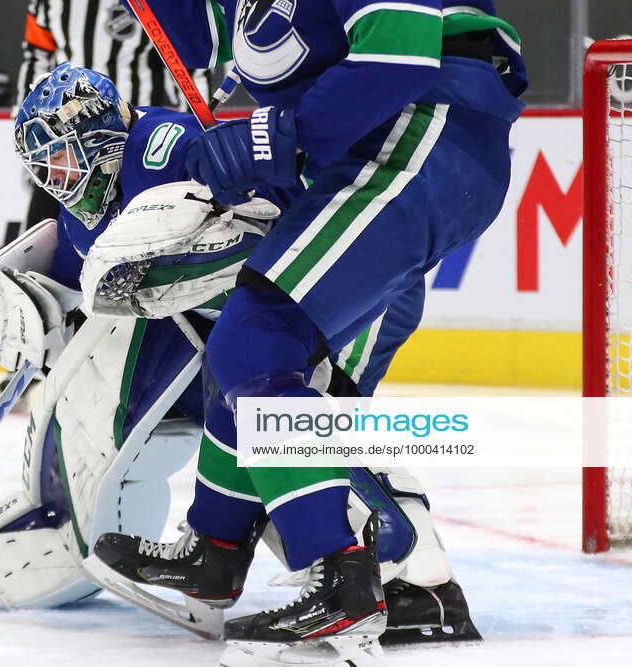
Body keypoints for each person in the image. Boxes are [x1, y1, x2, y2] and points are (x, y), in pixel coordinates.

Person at [0, 62, 480, 647]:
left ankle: (422, 588)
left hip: (353, 289)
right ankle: (231, 555)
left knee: (308, 423)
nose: (56, 176)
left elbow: (266, 233)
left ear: (102, 134)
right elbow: (71, 282)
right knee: (244, 398)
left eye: (63, 156)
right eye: (43, 165)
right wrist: (33, 310)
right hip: (281, 309)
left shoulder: (166, 150)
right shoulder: (82, 213)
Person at [89, 2, 527, 665]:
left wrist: (279, 139)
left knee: (260, 347)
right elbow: (196, 35)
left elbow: (400, 51)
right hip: (378, 146)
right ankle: (218, 545)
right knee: (249, 356)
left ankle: (352, 581)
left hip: (420, 127)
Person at [15, 0, 215, 229]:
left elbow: (193, 66)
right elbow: (37, 58)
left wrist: (201, 129)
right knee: (44, 243)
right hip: (64, 146)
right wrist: (31, 139)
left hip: (137, 140)